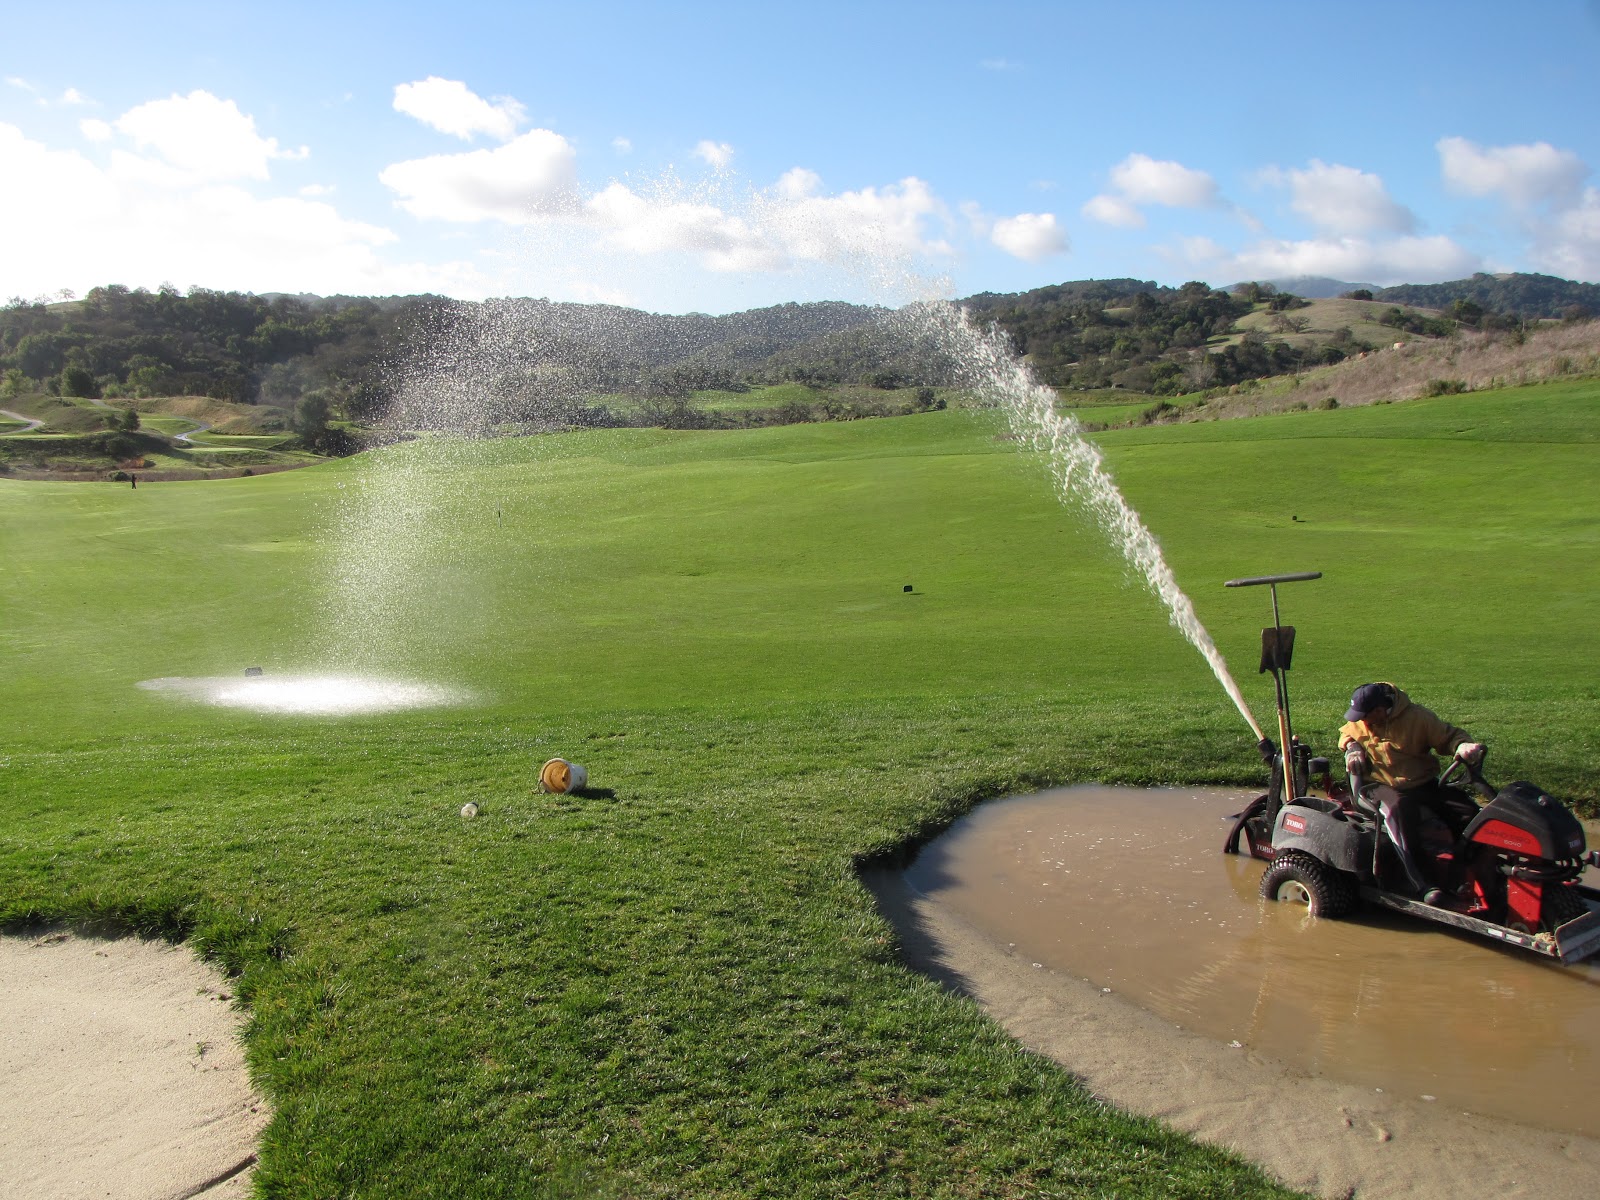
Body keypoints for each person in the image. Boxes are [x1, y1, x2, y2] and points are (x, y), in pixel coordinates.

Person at [1339, 682, 1484, 899]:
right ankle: (1424, 884)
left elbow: (1448, 736)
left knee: (1468, 812)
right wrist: (1352, 748)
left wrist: (1462, 745)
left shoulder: (1418, 718)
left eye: (1364, 716)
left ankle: (1468, 870)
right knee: (1398, 812)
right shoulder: (1362, 720)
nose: (1361, 721)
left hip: (1421, 782)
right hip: (1379, 785)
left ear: (1380, 710)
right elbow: (1346, 733)